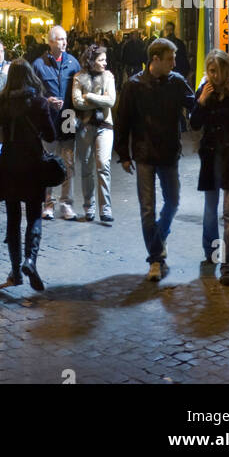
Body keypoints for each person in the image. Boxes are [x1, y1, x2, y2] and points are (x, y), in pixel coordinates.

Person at [114, 37, 196, 281]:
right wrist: (124, 155)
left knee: (173, 201)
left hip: (169, 152)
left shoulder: (177, 82)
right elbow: (123, 121)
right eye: (170, 59)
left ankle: (159, 238)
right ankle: (156, 259)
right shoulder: (134, 85)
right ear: (155, 60)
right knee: (147, 208)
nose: (174, 63)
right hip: (144, 154)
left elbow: (194, 106)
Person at [0, 59, 57, 291]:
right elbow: (50, 136)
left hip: (9, 163)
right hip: (32, 164)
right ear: (31, 76)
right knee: (34, 215)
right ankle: (31, 260)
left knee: (12, 219)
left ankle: (15, 270)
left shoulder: (2, 102)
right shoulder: (39, 102)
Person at [190, 49, 229, 285]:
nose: (216, 75)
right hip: (211, 158)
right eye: (212, 70)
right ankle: (212, 253)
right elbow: (194, 124)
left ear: (228, 69)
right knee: (209, 211)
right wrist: (201, 102)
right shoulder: (204, 91)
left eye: (220, 70)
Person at [34, 25, 81, 219]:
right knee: (47, 161)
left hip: (68, 115)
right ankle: (48, 203)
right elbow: (34, 93)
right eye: (60, 39)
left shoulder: (73, 63)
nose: (65, 42)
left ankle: (66, 203)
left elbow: (80, 88)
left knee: (68, 161)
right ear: (50, 42)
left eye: (65, 39)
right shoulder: (39, 64)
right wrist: (47, 101)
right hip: (48, 118)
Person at [72, 42, 117, 224]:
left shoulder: (108, 77)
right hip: (85, 126)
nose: (105, 63)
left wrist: (89, 96)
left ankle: (105, 208)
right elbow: (76, 102)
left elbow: (111, 101)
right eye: (101, 59)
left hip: (104, 126)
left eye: (105, 59)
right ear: (91, 61)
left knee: (103, 165)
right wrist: (100, 100)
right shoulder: (79, 77)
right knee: (86, 167)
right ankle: (88, 206)